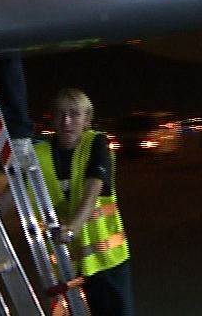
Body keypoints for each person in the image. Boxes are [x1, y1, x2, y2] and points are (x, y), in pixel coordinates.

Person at [34, 88, 133, 316]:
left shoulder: (96, 144)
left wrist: (71, 229)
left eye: (74, 114)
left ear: (87, 119)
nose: (66, 121)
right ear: (52, 118)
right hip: (65, 264)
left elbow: (92, 193)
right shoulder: (39, 153)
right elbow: (10, 196)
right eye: (60, 114)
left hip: (106, 262)